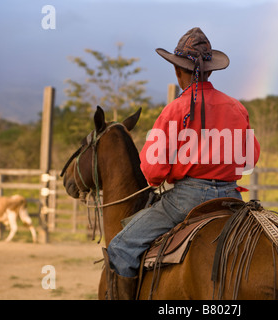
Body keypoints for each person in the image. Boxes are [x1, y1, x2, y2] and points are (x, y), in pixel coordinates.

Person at [103, 27, 260, 299]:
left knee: (121, 247)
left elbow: (151, 169)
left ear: (178, 72)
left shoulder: (175, 109)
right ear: (210, 71)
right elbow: (249, 160)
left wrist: (163, 176)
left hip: (187, 198)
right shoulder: (236, 107)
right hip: (231, 196)